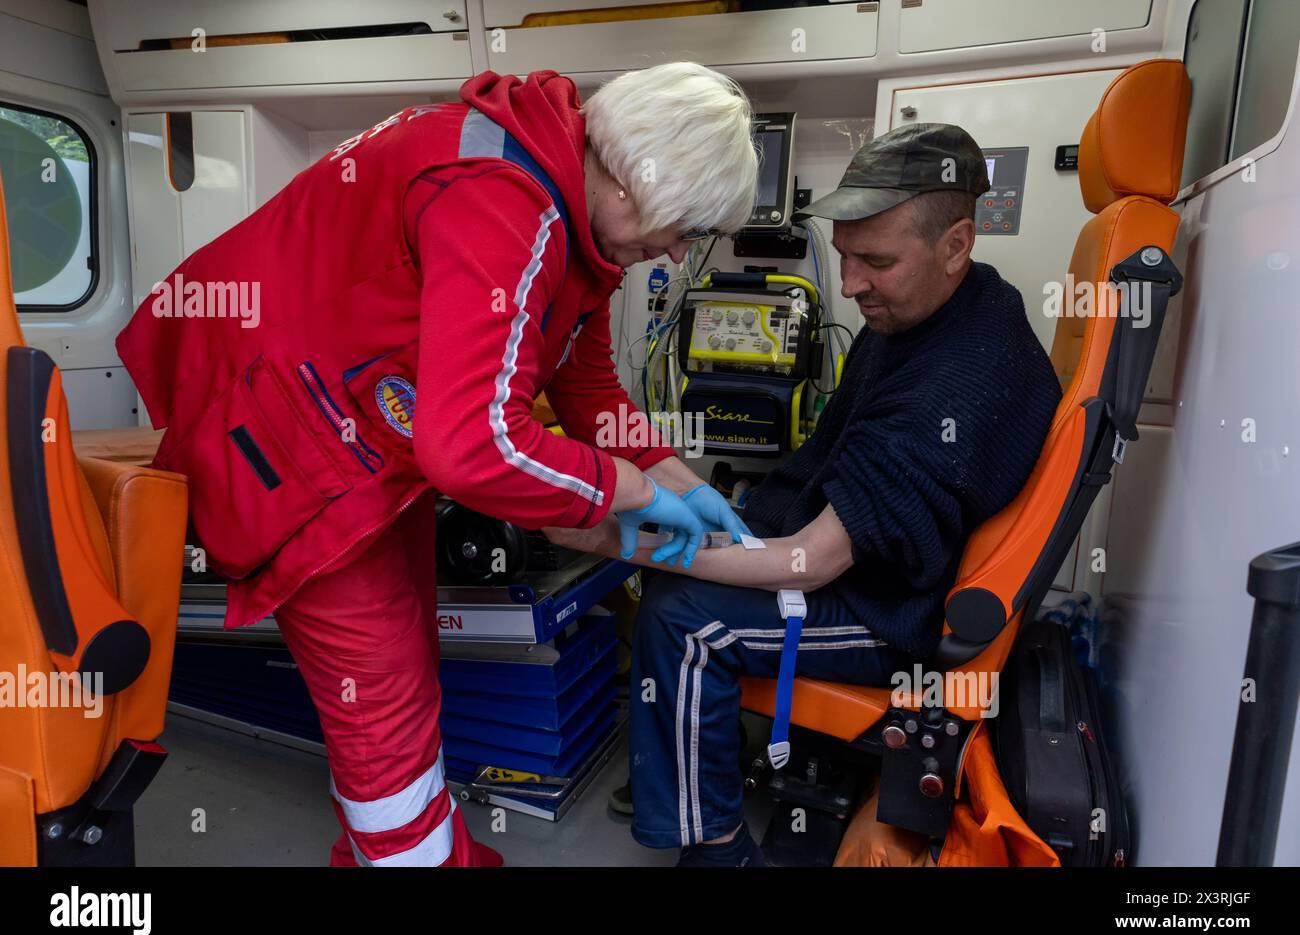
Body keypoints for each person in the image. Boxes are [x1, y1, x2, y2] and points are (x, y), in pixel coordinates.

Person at [116, 62, 757, 866]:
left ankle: (414, 846)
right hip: (290, 440)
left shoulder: (571, 209)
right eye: (684, 230)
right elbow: (475, 447)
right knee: (379, 698)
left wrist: (677, 481)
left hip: (366, 433)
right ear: (635, 185)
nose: (675, 252)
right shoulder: (504, 199)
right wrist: (626, 493)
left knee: (411, 666)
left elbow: (586, 383)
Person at [544, 123, 1063, 866]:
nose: (849, 285)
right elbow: (817, 466)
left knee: (688, 618)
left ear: (956, 244)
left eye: (875, 262)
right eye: (846, 256)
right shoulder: (947, 308)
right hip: (871, 560)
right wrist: (729, 517)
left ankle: (717, 847)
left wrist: (614, 542)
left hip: (894, 612)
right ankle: (689, 773)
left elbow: (810, 565)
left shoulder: (956, 385)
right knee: (686, 571)